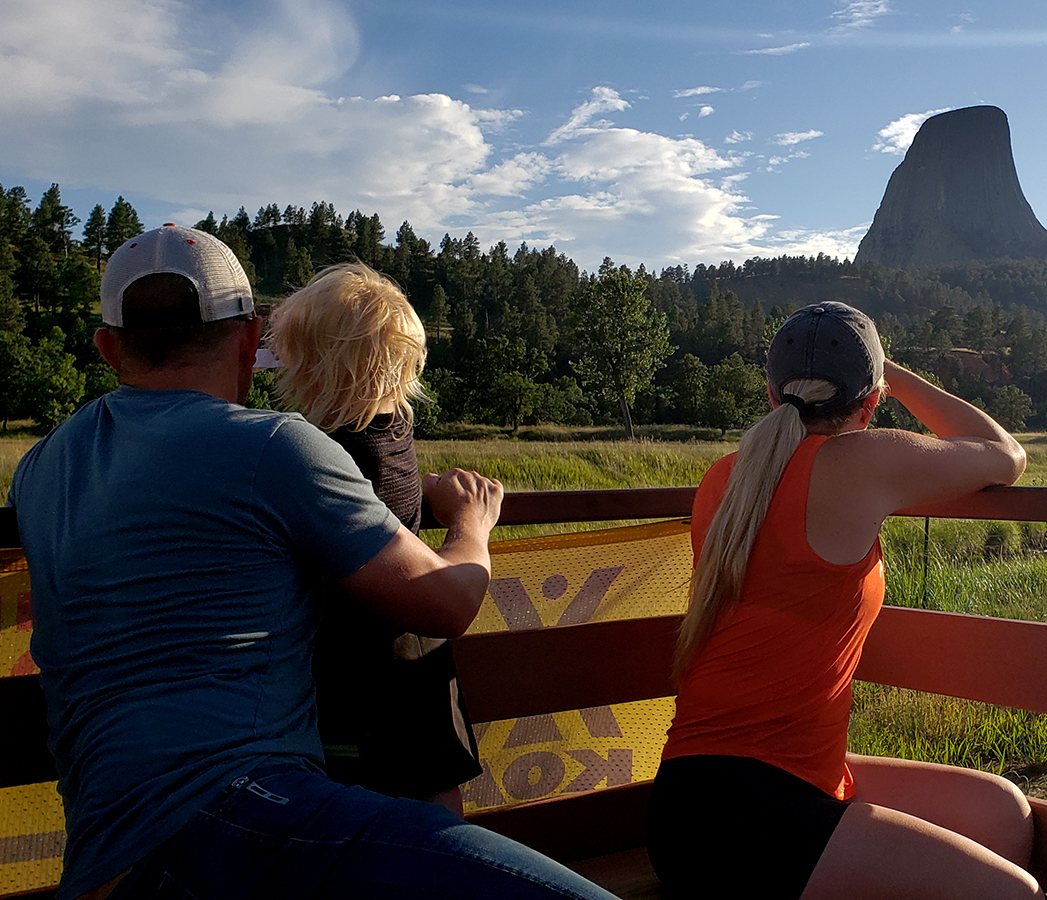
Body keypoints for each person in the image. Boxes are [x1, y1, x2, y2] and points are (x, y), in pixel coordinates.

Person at [6, 225, 617, 900]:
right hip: (247, 823)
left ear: (106, 346)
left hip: (99, 862)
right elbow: (447, 603)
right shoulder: (273, 447)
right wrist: (472, 522)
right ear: (247, 336)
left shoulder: (38, 469)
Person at [645, 301, 1041, 900]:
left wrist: (875, 377)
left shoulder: (727, 479)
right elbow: (1005, 454)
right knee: (1017, 894)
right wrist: (893, 371)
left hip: (694, 804)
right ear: (871, 400)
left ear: (772, 393)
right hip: (753, 818)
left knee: (1000, 814)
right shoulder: (864, 459)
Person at [267, 262, 479, 814]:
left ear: (319, 369)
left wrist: (470, 525)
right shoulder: (394, 434)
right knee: (435, 801)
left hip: (360, 677)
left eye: (290, 357)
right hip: (419, 674)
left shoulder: (332, 456)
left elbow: (450, 589)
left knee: (380, 823)